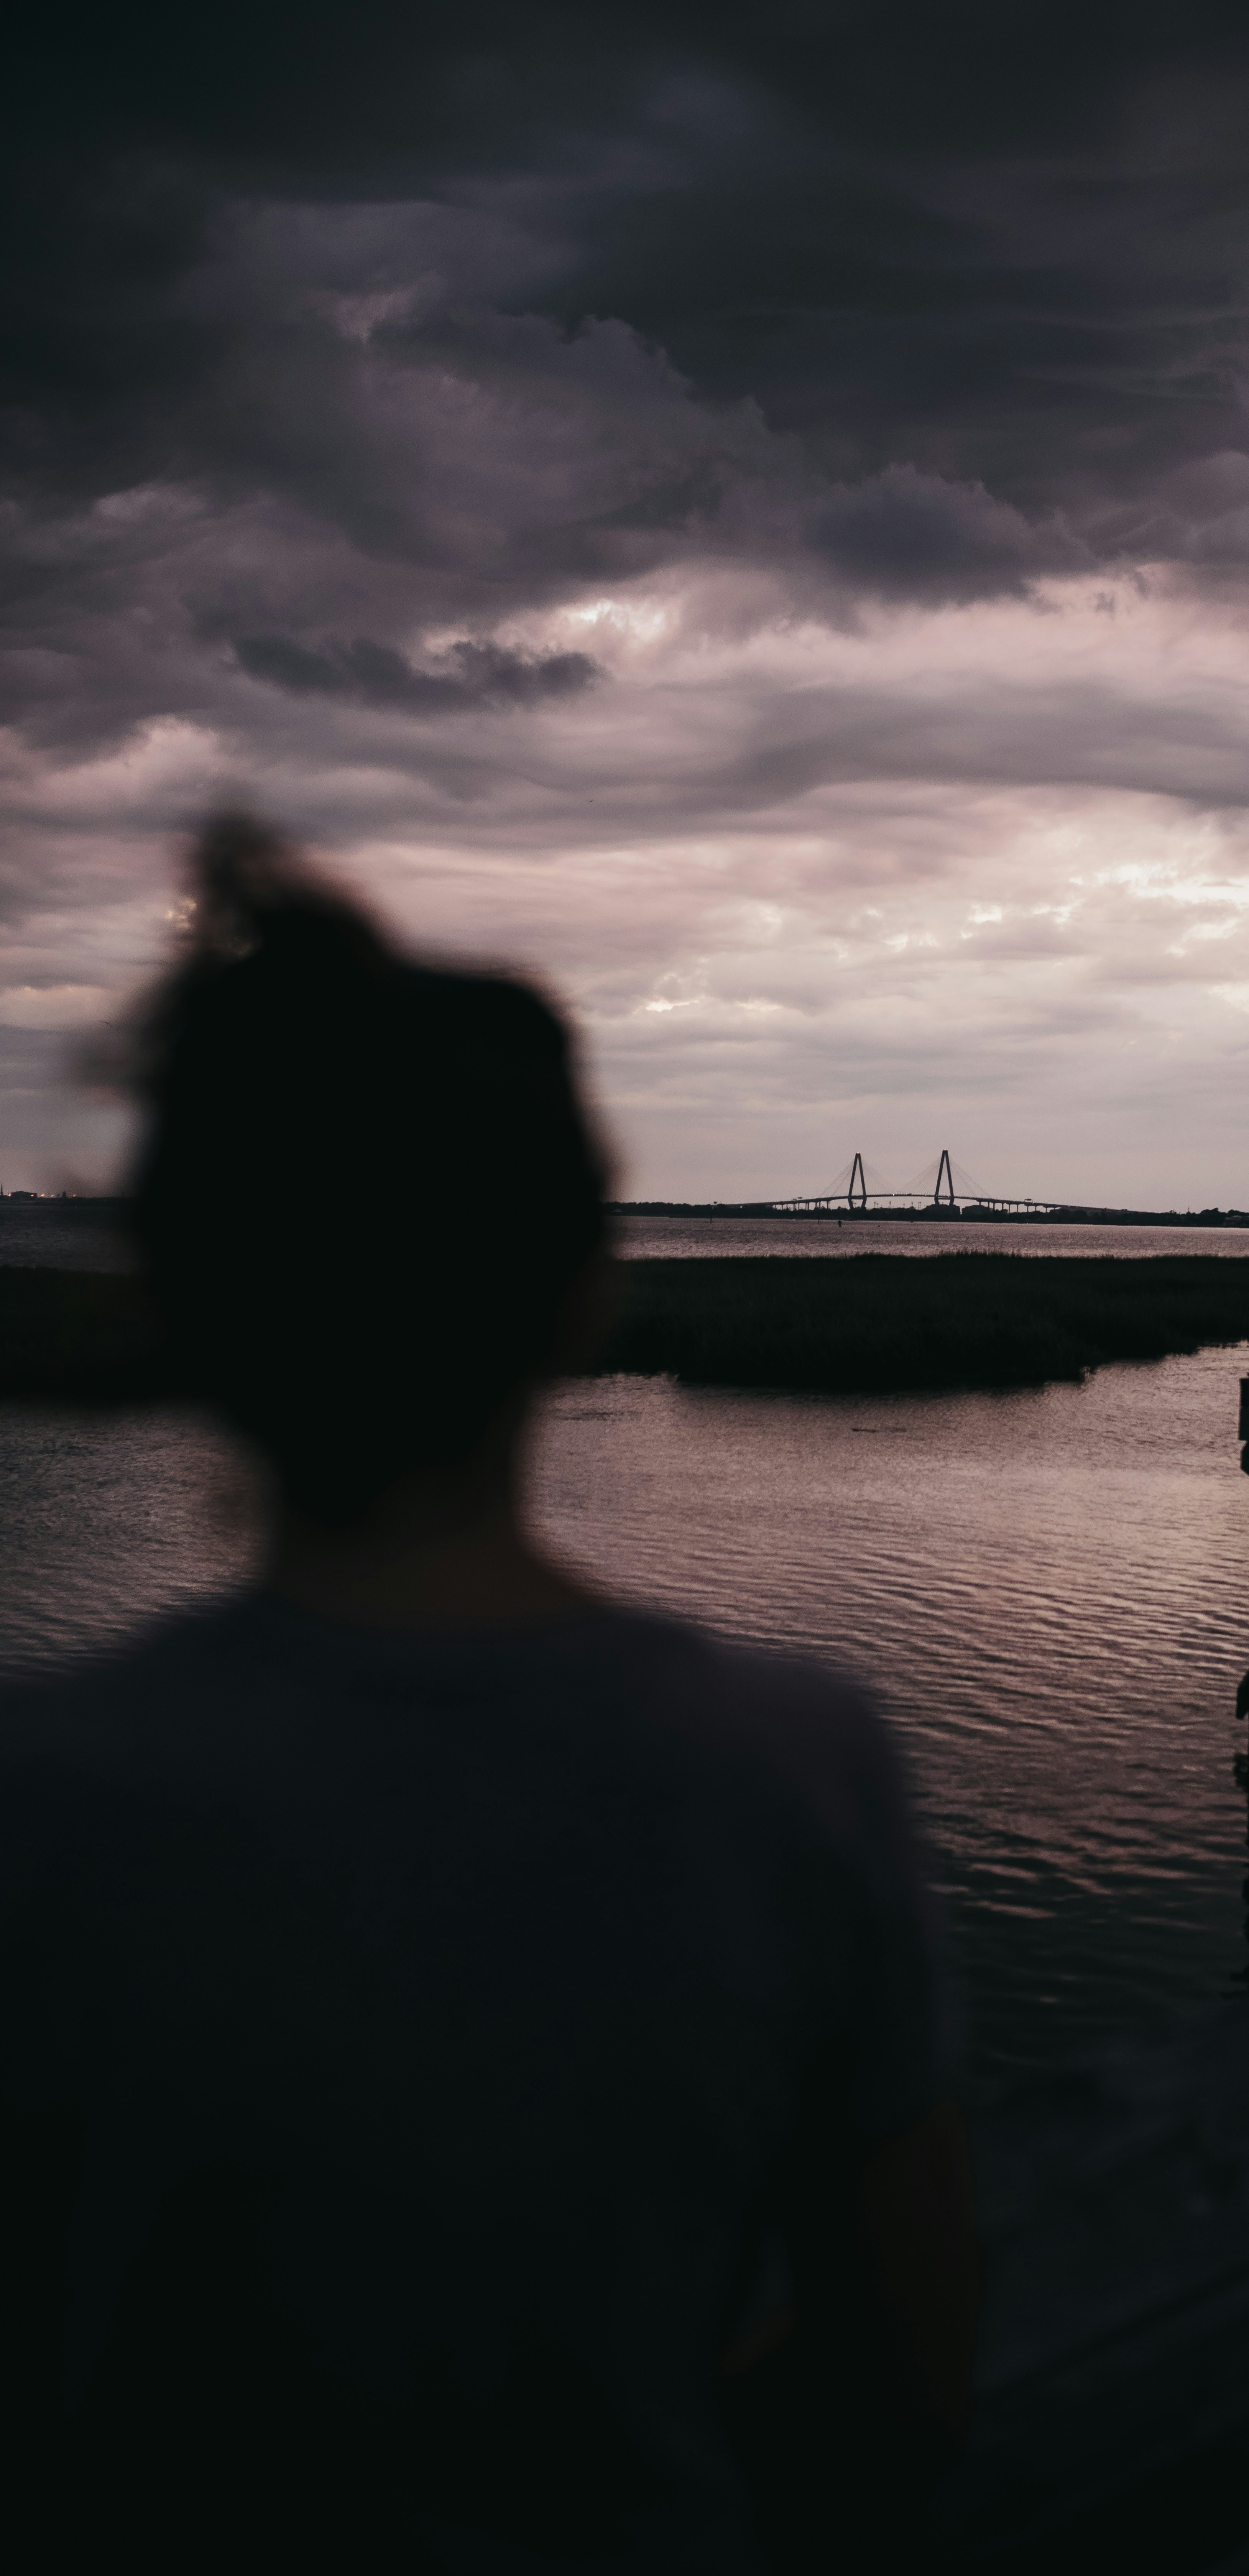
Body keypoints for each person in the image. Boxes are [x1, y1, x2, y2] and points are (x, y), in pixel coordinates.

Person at [0, 813, 979, 2573]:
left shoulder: (43, 1797)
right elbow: (901, 2378)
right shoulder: (795, 1765)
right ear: (582, 1290)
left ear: (195, 1301)